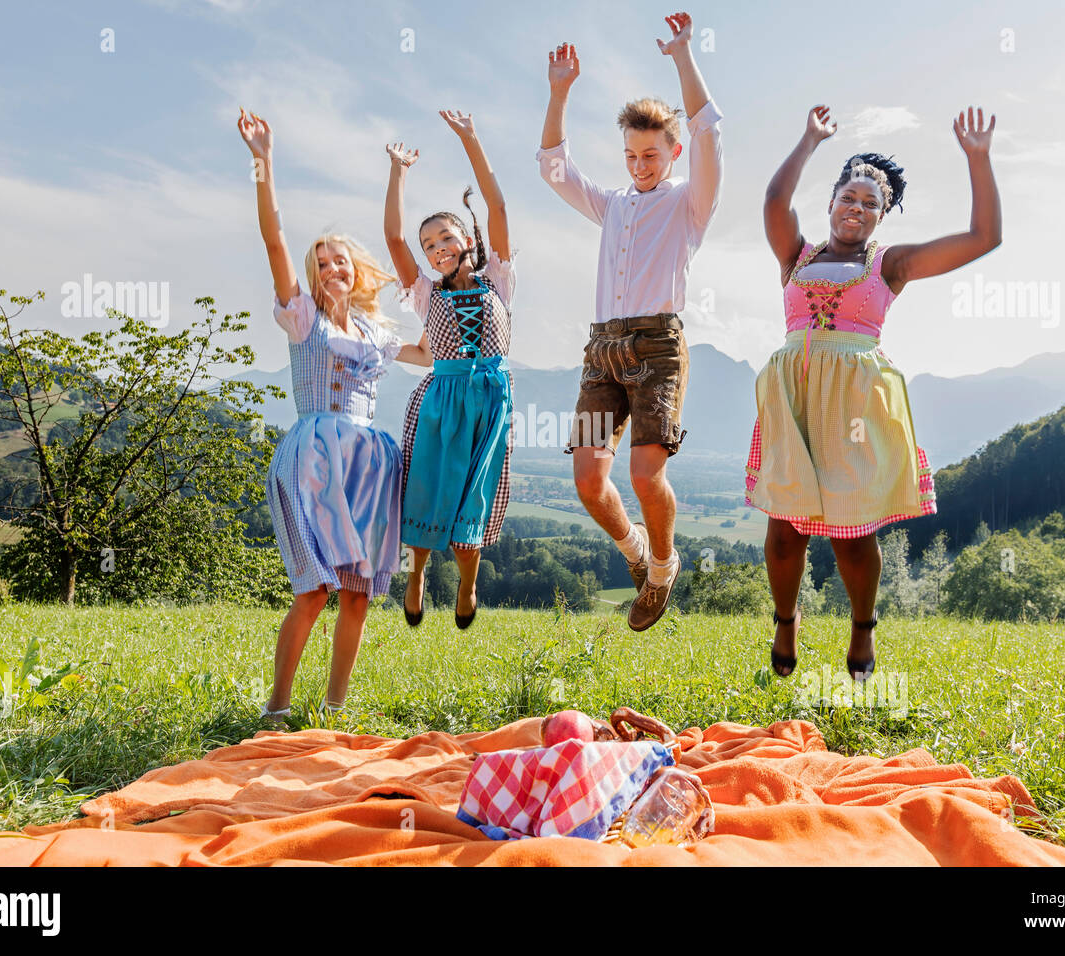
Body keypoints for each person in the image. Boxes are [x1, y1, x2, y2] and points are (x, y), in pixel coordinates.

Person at [748, 104, 1001, 680]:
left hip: (856, 408)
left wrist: (978, 161)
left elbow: (985, 237)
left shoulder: (891, 265)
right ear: (831, 201)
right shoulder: (797, 255)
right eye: (848, 198)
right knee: (783, 534)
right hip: (794, 399)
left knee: (851, 539)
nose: (856, 209)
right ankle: (786, 619)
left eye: (870, 204)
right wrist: (809, 139)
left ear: (882, 216)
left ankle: (863, 628)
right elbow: (772, 203)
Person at [238, 108, 432, 723]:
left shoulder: (375, 331)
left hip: (370, 462)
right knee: (314, 588)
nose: (331, 268)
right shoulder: (303, 319)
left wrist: (470, 293)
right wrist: (263, 160)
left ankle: (335, 708)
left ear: (356, 269)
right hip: (317, 453)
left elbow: (433, 353)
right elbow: (272, 237)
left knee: (356, 595)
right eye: (321, 262)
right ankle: (277, 707)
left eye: (339, 259)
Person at [537, 12, 722, 632]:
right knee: (590, 483)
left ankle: (665, 566)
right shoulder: (612, 204)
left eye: (651, 154)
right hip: (602, 356)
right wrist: (560, 92)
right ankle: (636, 552)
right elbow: (555, 169)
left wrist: (682, 57)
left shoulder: (689, 202)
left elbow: (708, 133)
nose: (640, 165)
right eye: (631, 155)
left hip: (656, 350)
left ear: (670, 152)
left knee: (646, 473)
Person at [385, 110, 515, 630]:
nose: (438, 249)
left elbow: (498, 203)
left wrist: (471, 138)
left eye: (446, 238)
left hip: (488, 402)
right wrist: (398, 172)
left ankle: (467, 581)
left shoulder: (499, 279)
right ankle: (415, 574)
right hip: (439, 400)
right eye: (429, 245)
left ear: (466, 239)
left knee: (472, 506)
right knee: (425, 493)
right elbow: (394, 239)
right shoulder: (424, 293)